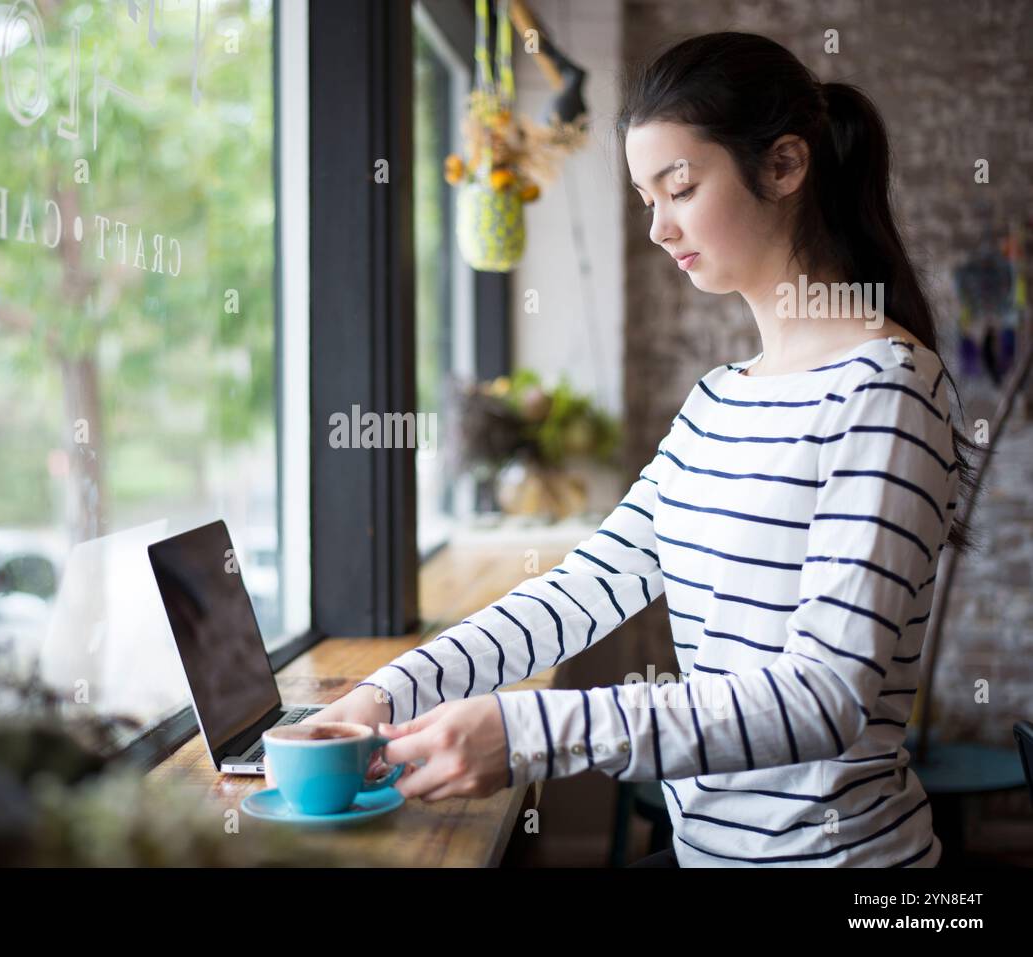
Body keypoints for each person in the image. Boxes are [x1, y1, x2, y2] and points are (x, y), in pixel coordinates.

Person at [308, 31, 982, 867]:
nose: (660, 227)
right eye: (645, 198)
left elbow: (825, 697)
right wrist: (385, 691)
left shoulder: (886, 391)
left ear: (784, 166)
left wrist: (526, 730)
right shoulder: (718, 401)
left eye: (682, 187)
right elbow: (583, 589)